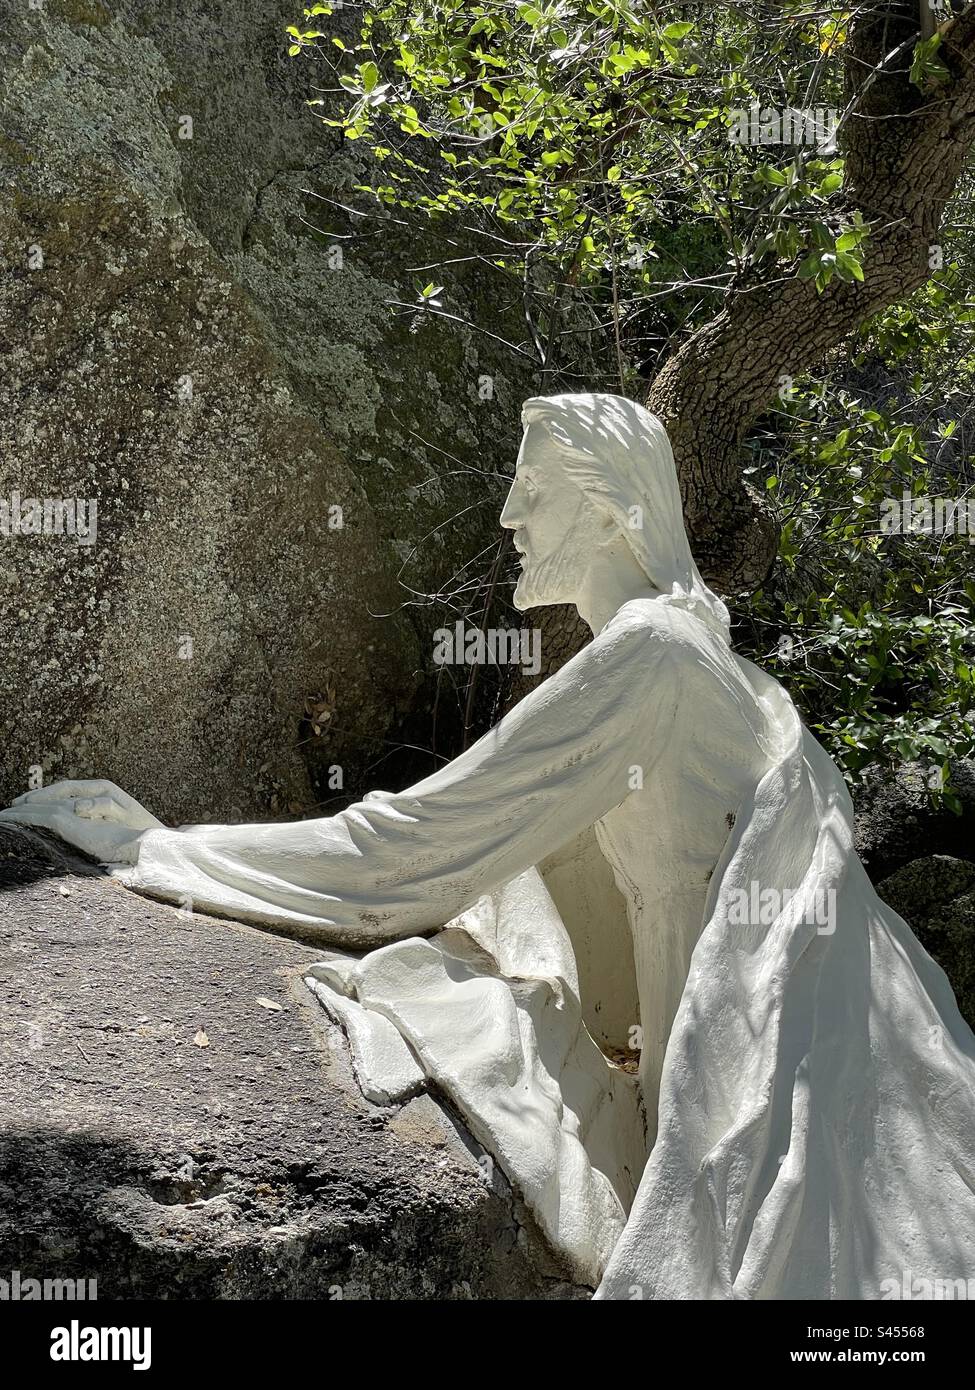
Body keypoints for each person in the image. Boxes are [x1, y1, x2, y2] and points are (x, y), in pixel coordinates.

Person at [5, 394, 974, 1299]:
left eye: (533, 489)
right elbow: (533, 862)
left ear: (609, 512)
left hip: (767, 1076)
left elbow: (420, 846)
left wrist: (163, 853)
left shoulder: (655, 657)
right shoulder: (679, 653)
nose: (510, 516)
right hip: (738, 1052)